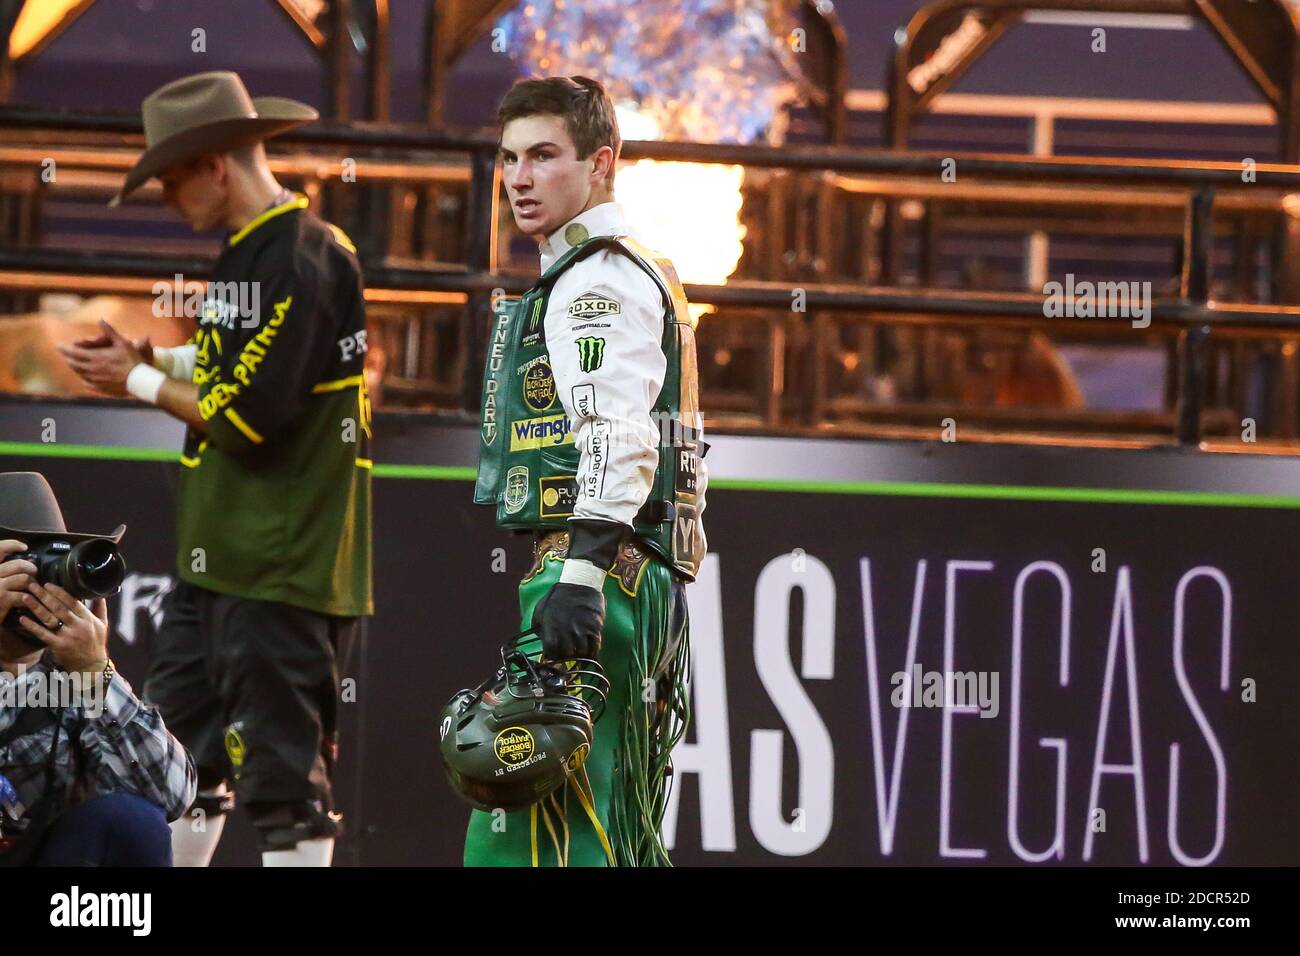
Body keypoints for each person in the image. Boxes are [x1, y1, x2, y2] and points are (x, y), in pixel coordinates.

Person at [57, 71, 373, 867]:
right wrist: (150, 355)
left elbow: (246, 417)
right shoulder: (260, 253)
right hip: (226, 567)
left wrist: (131, 379)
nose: (167, 197)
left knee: (285, 786)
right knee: (180, 768)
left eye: (170, 177)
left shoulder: (300, 258)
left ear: (216, 166)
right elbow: (239, 362)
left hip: (280, 569)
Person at [463, 74, 708, 866]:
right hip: (631, 570)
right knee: (604, 821)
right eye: (508, 158)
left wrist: (581, 575)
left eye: (543, 155)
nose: (519, 179)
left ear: (602, 163)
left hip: (601, 567)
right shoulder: (619, 268)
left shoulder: (598, 277)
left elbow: (620, 434)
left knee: (528, 826)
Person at [0, 471, 195, 867]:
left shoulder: (72, 680)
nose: (41, 588)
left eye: (53, 566)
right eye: (24, 565)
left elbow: (173, 795)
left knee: (132, 822)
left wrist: (96, 674)